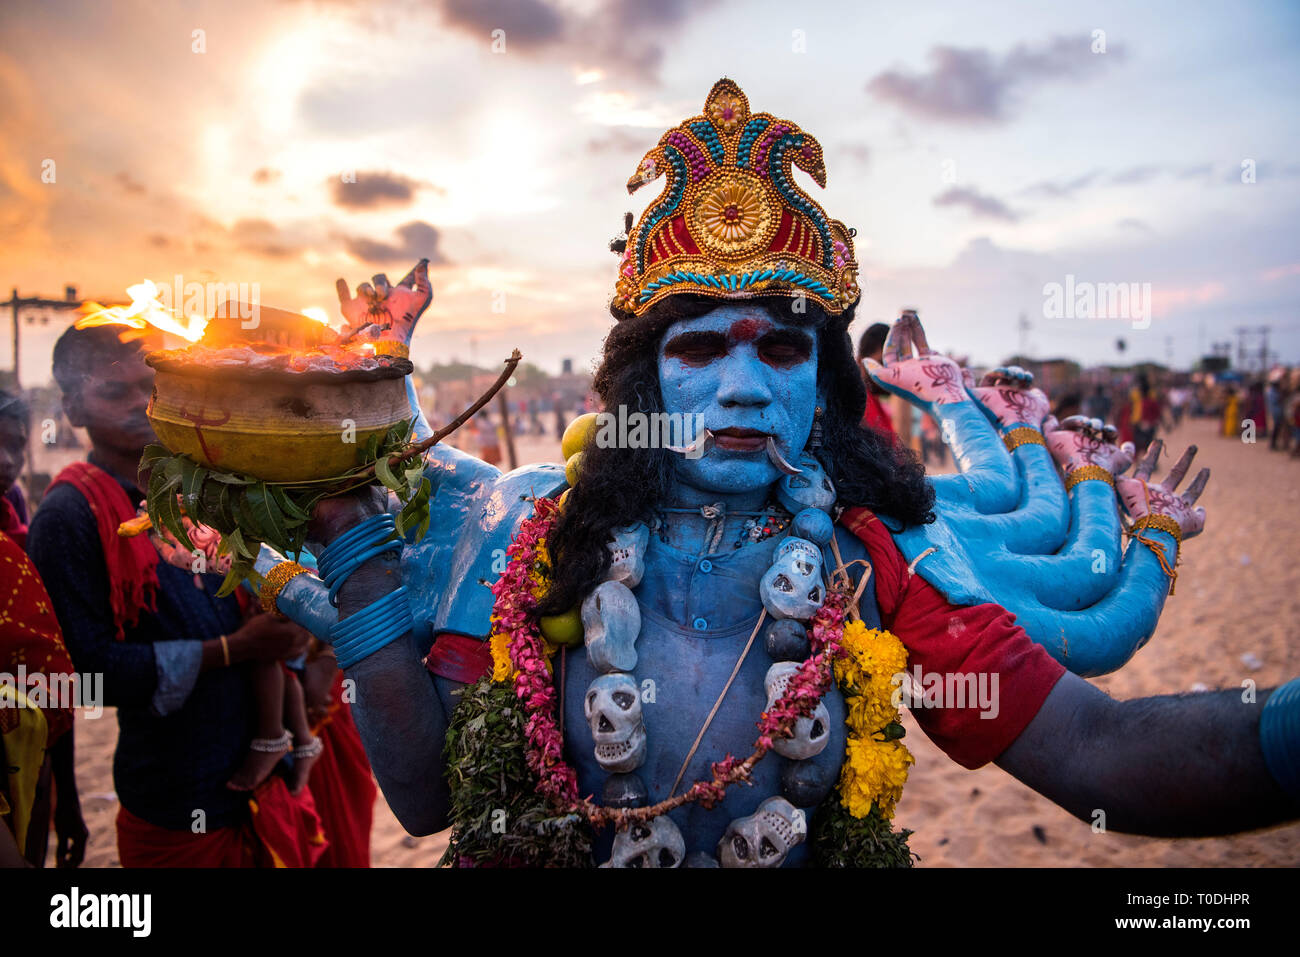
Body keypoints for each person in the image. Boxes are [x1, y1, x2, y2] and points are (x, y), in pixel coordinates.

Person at [259, 80, 1299, 867]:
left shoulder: (875, 556)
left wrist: (1279, 734)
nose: (745, 388)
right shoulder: (538, 535)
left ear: (825, 383)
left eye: (782, 351)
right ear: (644, 382)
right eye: (701, 351)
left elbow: (1097, 754)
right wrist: (353, 547)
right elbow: (430, 800)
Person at [27, 324, 327, 867]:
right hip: (176, 800)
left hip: (266, 788)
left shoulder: (203, 490)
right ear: (71, 409)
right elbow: (88, 673)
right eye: (114, 393)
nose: (141, 404)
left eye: (153, 386)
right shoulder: (68, 515)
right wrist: (234, 649)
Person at [857, 322, 895, 437]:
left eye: (894, 366)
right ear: (861, 361)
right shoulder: (855, 407)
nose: (890, 373)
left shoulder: (876, 405)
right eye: (882, 364)